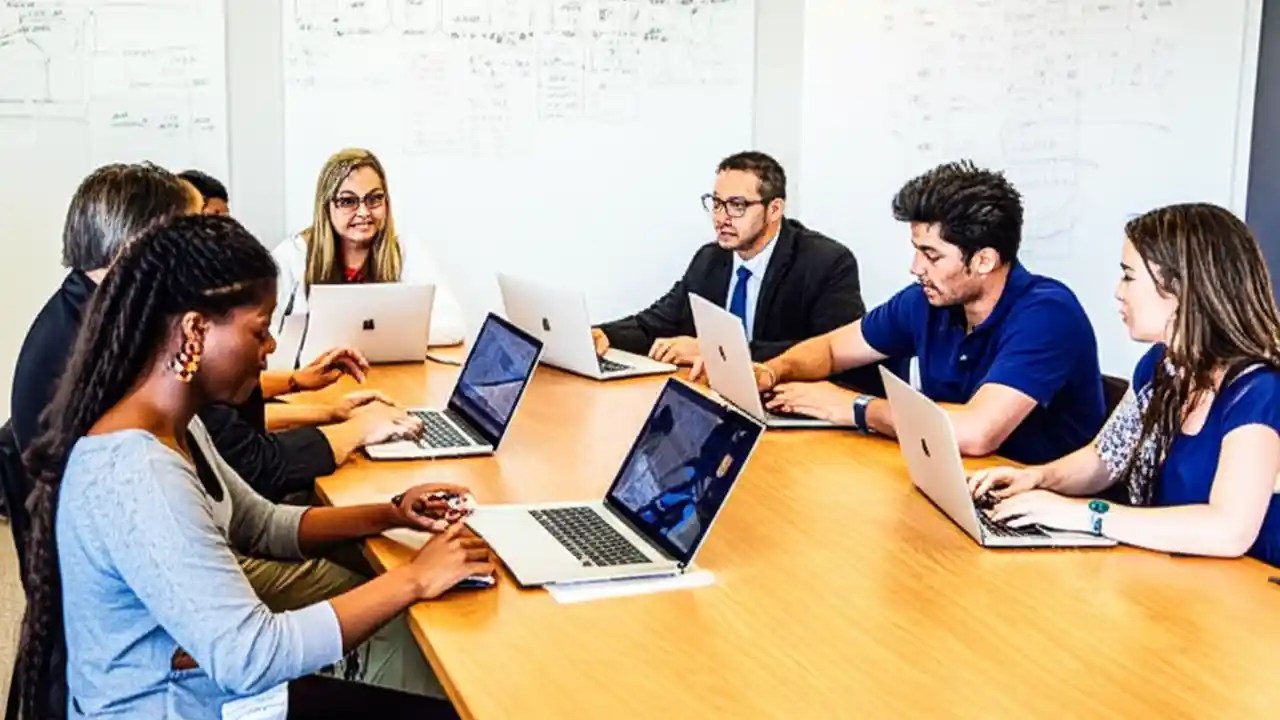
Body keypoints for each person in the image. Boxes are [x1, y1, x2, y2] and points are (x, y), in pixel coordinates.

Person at [14, 214, 494, 718]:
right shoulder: (138, 474)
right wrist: (414, 579)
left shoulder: (175, 424)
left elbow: (260, 524)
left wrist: (392, 512)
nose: (268, 353)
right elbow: (252, 656)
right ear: (195, 330)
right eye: (260, 331)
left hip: (203, 690)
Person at [10, 163, 416, 503]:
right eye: (191, 234)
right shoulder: (125, 343)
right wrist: (355, 429)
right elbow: (251, 463)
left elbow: (215, 428)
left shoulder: (87, 313)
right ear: (141, 247)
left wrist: (318, 401)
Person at [968, 203, 1280, 566]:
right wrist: (1038, 478)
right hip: (1181, 574)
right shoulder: (1162, 366)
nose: (1118, 292)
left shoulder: (1260, 391)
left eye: (1129, 277)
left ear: (1181, 288)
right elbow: (1106, 458)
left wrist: (1089, 516)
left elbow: (1228, 530)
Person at [750, 160, 1106, 464]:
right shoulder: (928, 299)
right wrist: (771, 371)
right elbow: (830, 349)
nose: (916, 267)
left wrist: (855, 408)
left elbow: (976, 433)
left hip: (1038, 506)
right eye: (916, 250)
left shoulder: (1047, 314)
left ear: (984, 260)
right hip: (954, 479)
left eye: (932, 255)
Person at [593, 151, 867, 370]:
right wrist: (605, 334)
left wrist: (717, 351)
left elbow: (839, 353)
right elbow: (656, 323)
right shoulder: (710, 259)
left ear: (774, 209)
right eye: (716, 203)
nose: (721, 218)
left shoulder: (826, 263)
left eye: (737, 206)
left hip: (791, 408)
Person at [272, 148, 465, 346]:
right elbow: (268, 336)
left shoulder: (405, 251)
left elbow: (453, 325)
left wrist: (362, 338)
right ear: (326, 207)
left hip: (390, 373)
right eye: (348, 201)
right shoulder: (292, 256)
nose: (364, 212)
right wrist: (394, 333)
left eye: (374, 199)